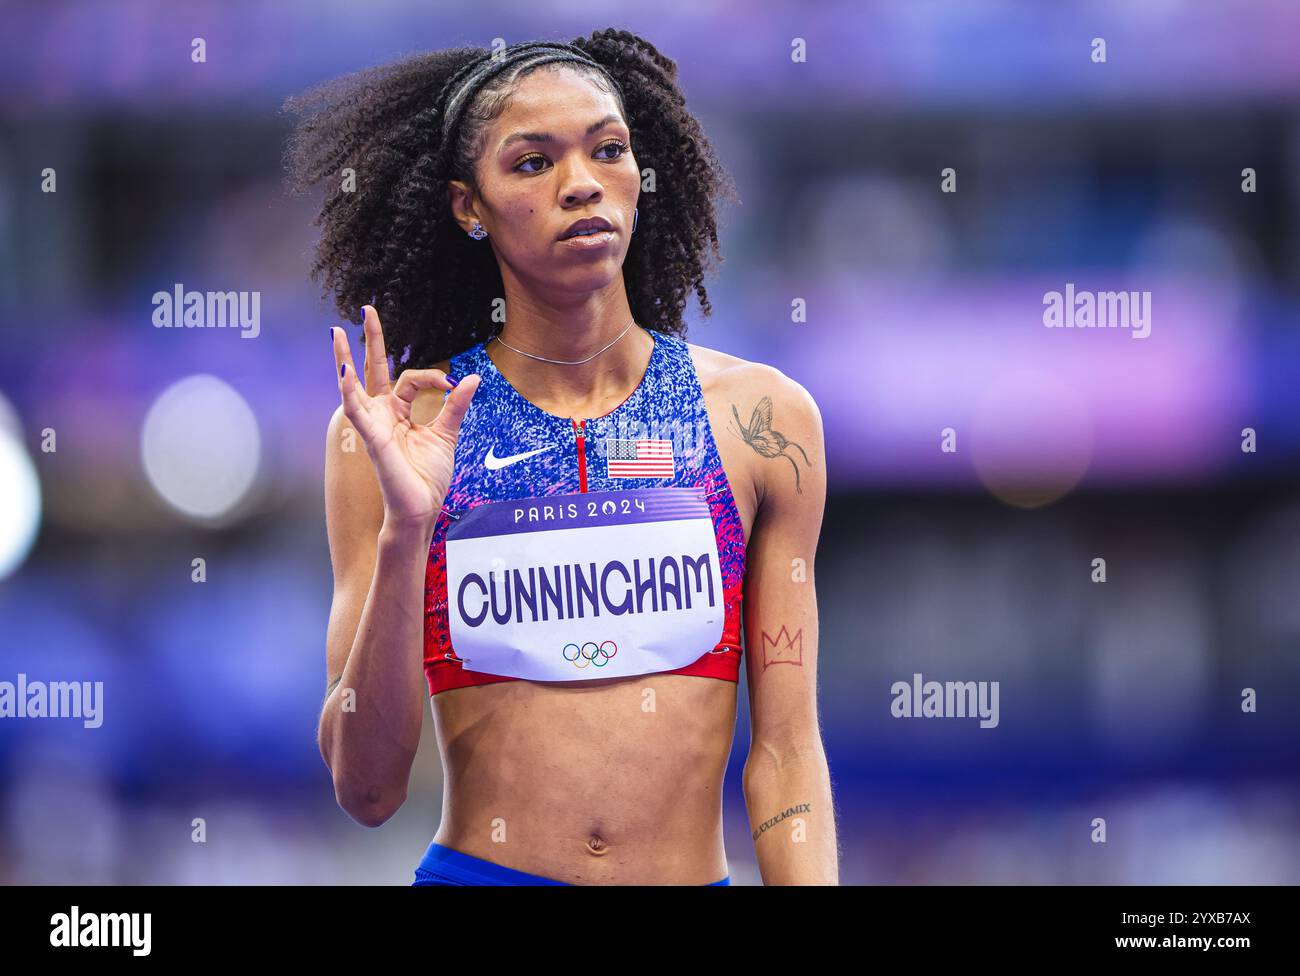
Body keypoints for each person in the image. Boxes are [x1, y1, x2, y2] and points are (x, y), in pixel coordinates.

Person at [286, 29, 836, 885]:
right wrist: (408, 530)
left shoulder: (764, 420)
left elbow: (788, 750)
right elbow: (367, 789)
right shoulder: (400, 433)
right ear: (468, 207)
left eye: (608, 150)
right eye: (533, 163)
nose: (582, 184)